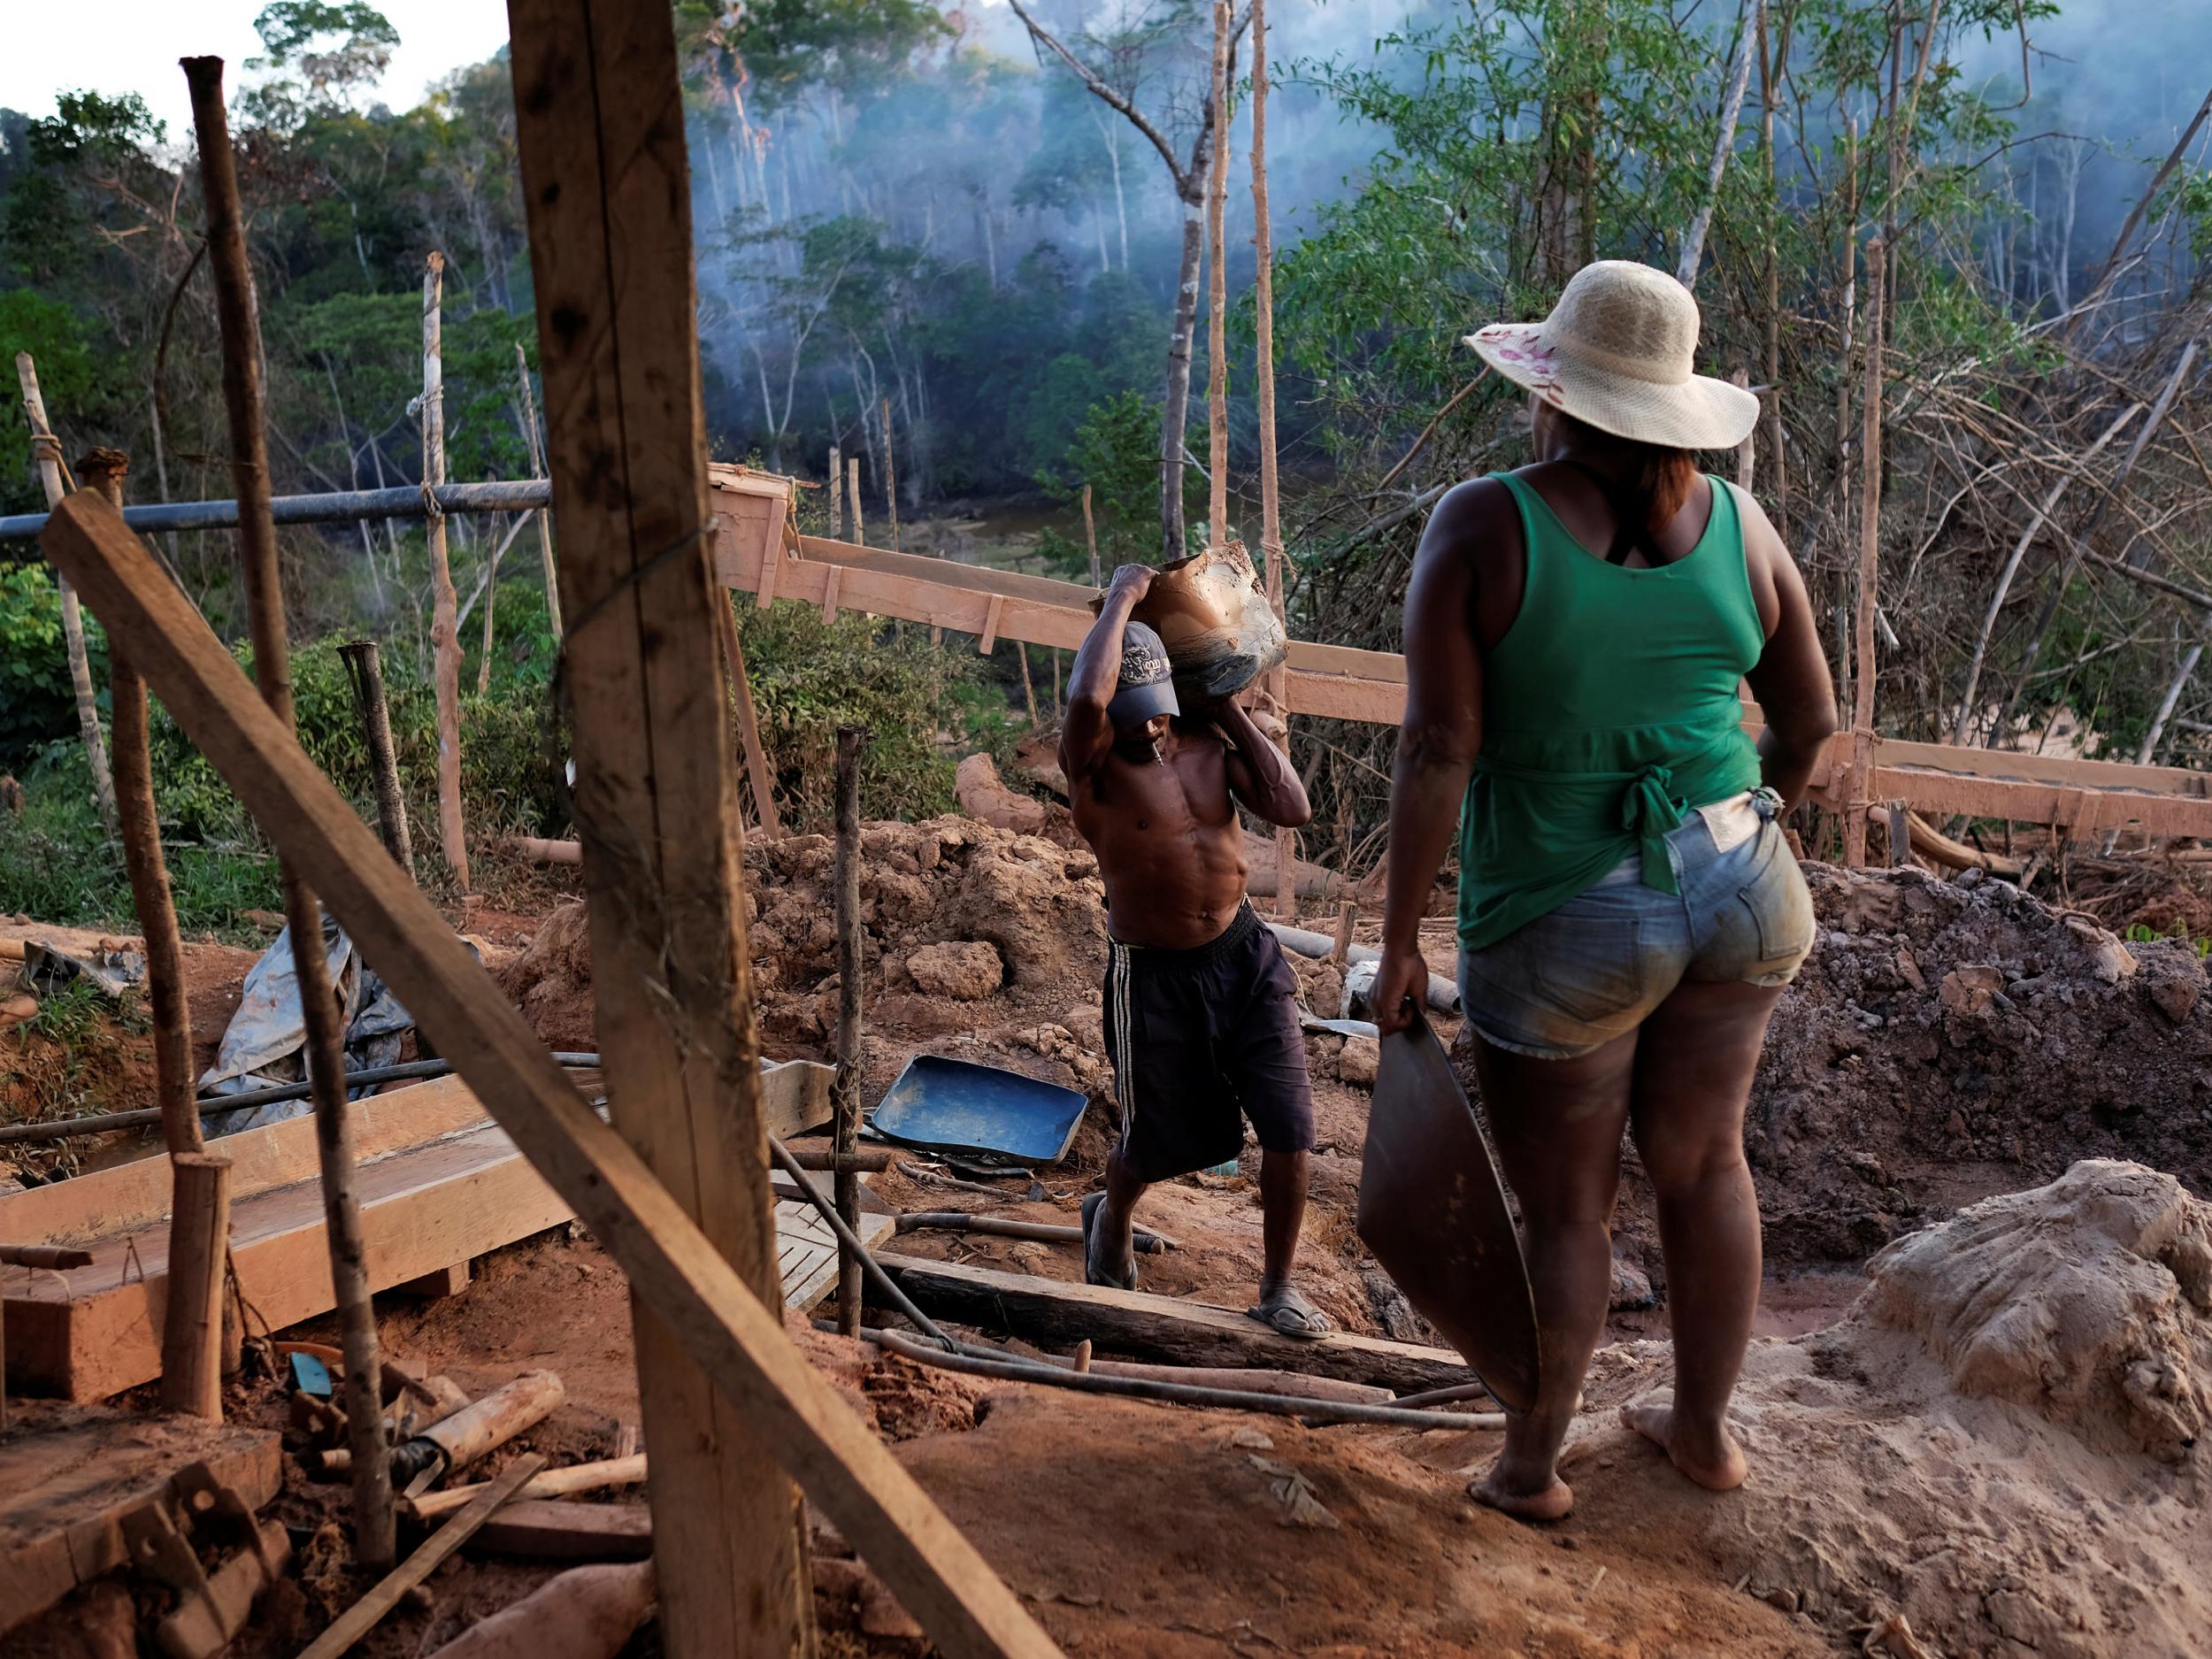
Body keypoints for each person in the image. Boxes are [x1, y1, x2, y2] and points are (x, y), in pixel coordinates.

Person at [1371, 260, 1838, 1519]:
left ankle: (1532, 1465)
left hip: (1562, 910)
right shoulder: (1744, 527)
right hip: (1744, 877)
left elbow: (1437, 748)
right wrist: (1757, 816)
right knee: (1706, 1162)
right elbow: (1813, 719)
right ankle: (1702, 1437)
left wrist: (1401, 937)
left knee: (1566, 1206)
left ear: (1555, 397)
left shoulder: (1483, 524)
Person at [1061, 565, 1334, 1338]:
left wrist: (1226, 707)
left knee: (1290, 1126)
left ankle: (1278, 1286)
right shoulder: (1094, 772)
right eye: (1133, 715)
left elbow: (1292, 806)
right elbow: (1086, 699)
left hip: (1245, 955)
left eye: (1160, 713)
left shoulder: (1206, 741)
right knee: (1158, 1139)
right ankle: (1110, 1214)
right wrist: (1121, 598)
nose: (1149, 729)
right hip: (1155, 976)